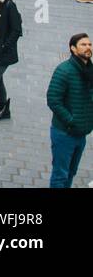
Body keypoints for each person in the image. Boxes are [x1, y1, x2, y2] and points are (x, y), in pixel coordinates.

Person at [47, 33, 93, 188]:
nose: (88, 47)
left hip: (81, 133)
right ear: (73, 49)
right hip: (64, 133)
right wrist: (71, 121)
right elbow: (53, 100)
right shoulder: (64, 70)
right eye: (83, 44)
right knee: (60, 175)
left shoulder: (90, 71)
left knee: (71, 172)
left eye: (89, 44)